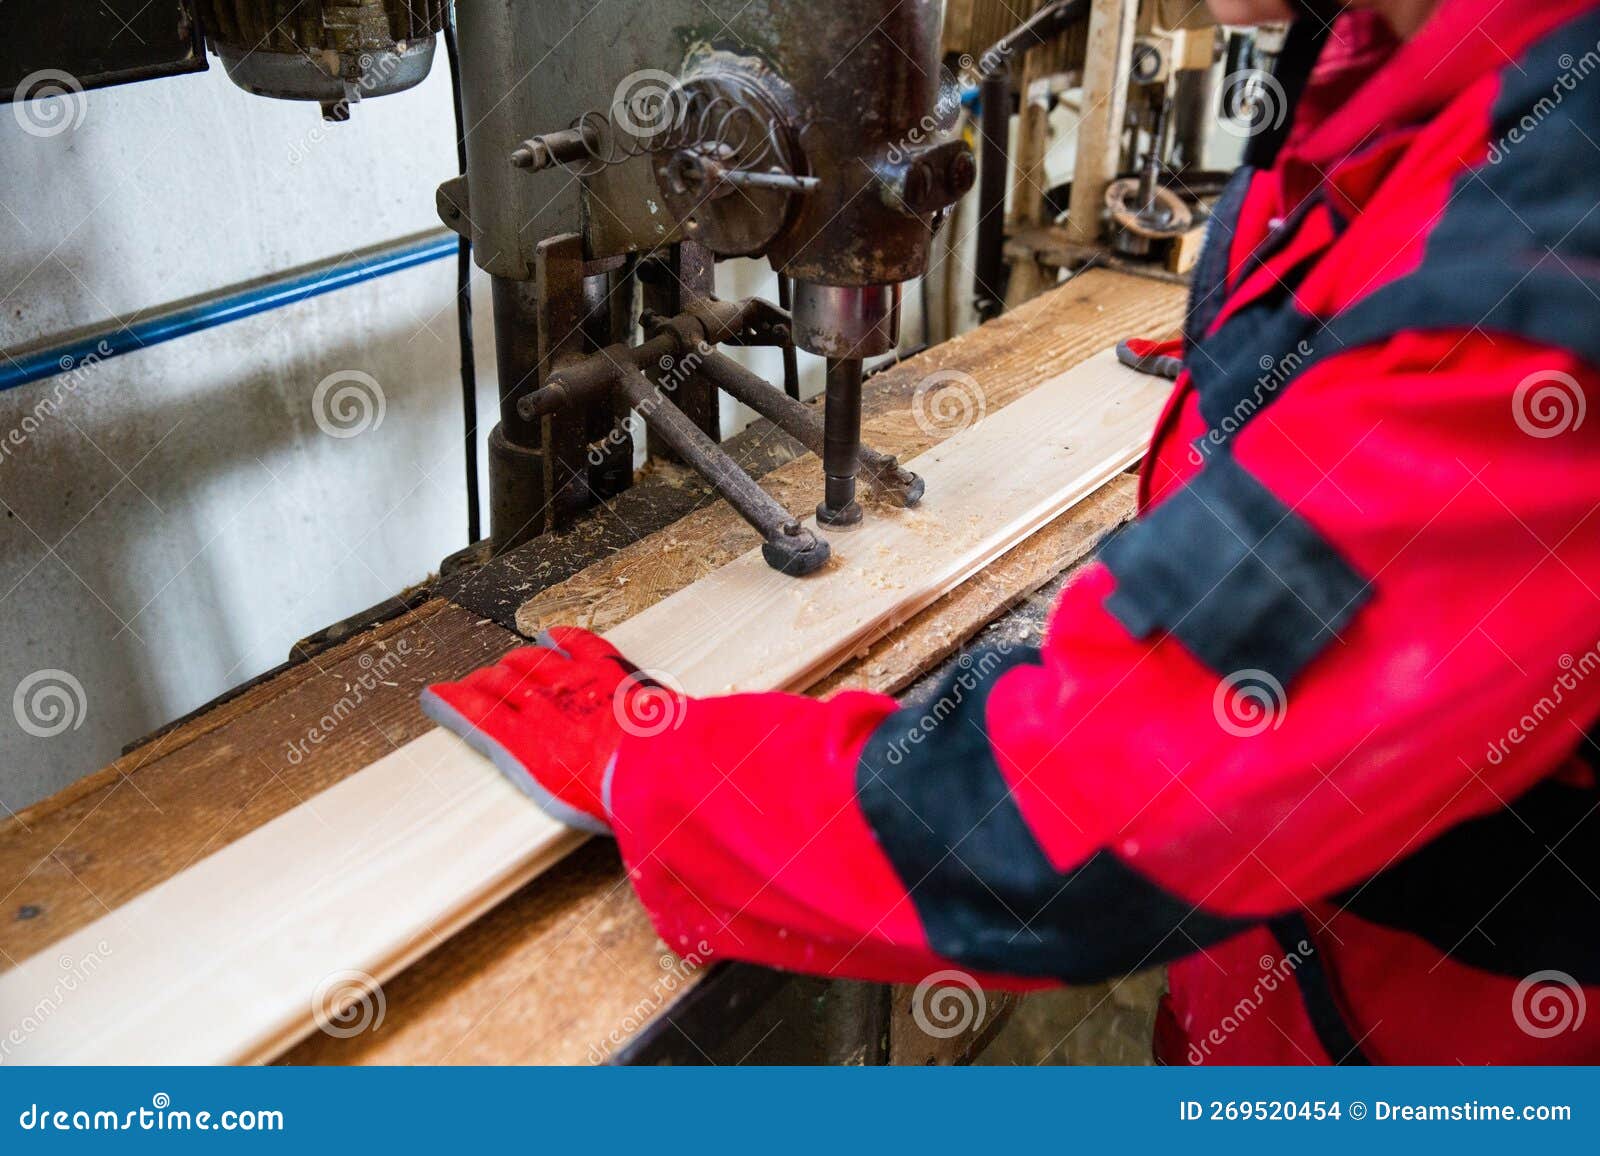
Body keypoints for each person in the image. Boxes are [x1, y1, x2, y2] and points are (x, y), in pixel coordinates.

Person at [423, 0, 1600, 1064]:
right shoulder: (1378, 67)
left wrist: (664, 770)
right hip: (1285, 990)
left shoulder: (1555, 224)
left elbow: (1122, 799)